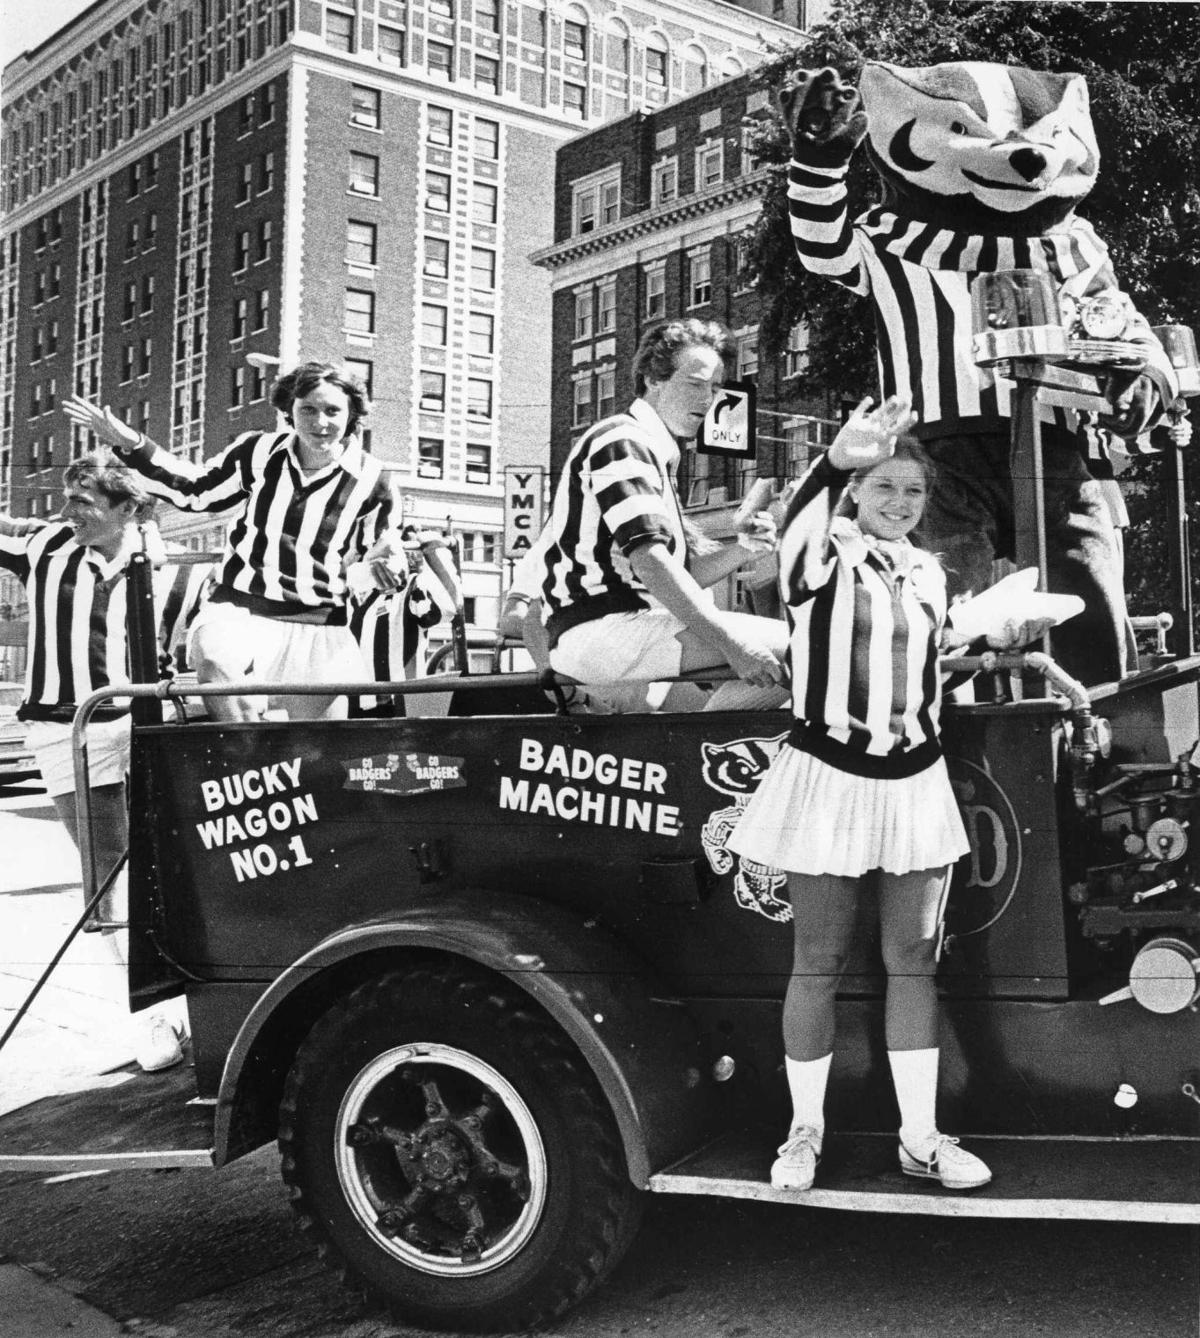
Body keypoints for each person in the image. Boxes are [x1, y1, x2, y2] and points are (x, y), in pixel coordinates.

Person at [729, 395, 1052, 1195]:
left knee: (913, 962)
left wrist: (998, 634)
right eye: (883, 489)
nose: (901, 505)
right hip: (830, 777)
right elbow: (792, 546)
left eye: (912, 492)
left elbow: (926, 672)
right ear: (855, 495)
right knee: (819, 961)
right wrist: (831, 463)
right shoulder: (825, 557)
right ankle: (803, 1133)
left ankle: (921, 1138)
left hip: (913, 780)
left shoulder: (931, 573)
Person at [63, 363, 406, 723]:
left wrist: (387, 562)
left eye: (333, 410)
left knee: (317, 753)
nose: (320, 422)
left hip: (319, 622)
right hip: (240, 607)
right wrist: (131, 443)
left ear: (352, 414)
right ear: (290, 409)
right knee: (213, 658)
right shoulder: (259, 452)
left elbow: (380, 551)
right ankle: (248, 765)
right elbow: (197, 492)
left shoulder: (374, 479)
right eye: (308, 409)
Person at [0, 453, 191, 1072]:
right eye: (67, 497)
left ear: (127, 509)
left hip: (135, 720)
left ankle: (186, 998)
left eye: (84, 501)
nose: (67, 511)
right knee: (104, 873)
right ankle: (143, 1017)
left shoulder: (158, 563)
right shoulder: (47, 548)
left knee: (167, 858)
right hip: (66, 728)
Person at [539, 318, 787, 711]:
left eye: (715, 389)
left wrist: (743, 548)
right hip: (605, 630)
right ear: (653, 380)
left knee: (788, 659)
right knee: (806, 647)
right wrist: (732, 643)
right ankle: (710, 755)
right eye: (694, 384)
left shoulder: (651, 451)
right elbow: (651, 563)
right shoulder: (622, 439)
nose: (708, 400)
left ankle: (705, 756)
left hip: (621, 629)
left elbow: (678, 574)